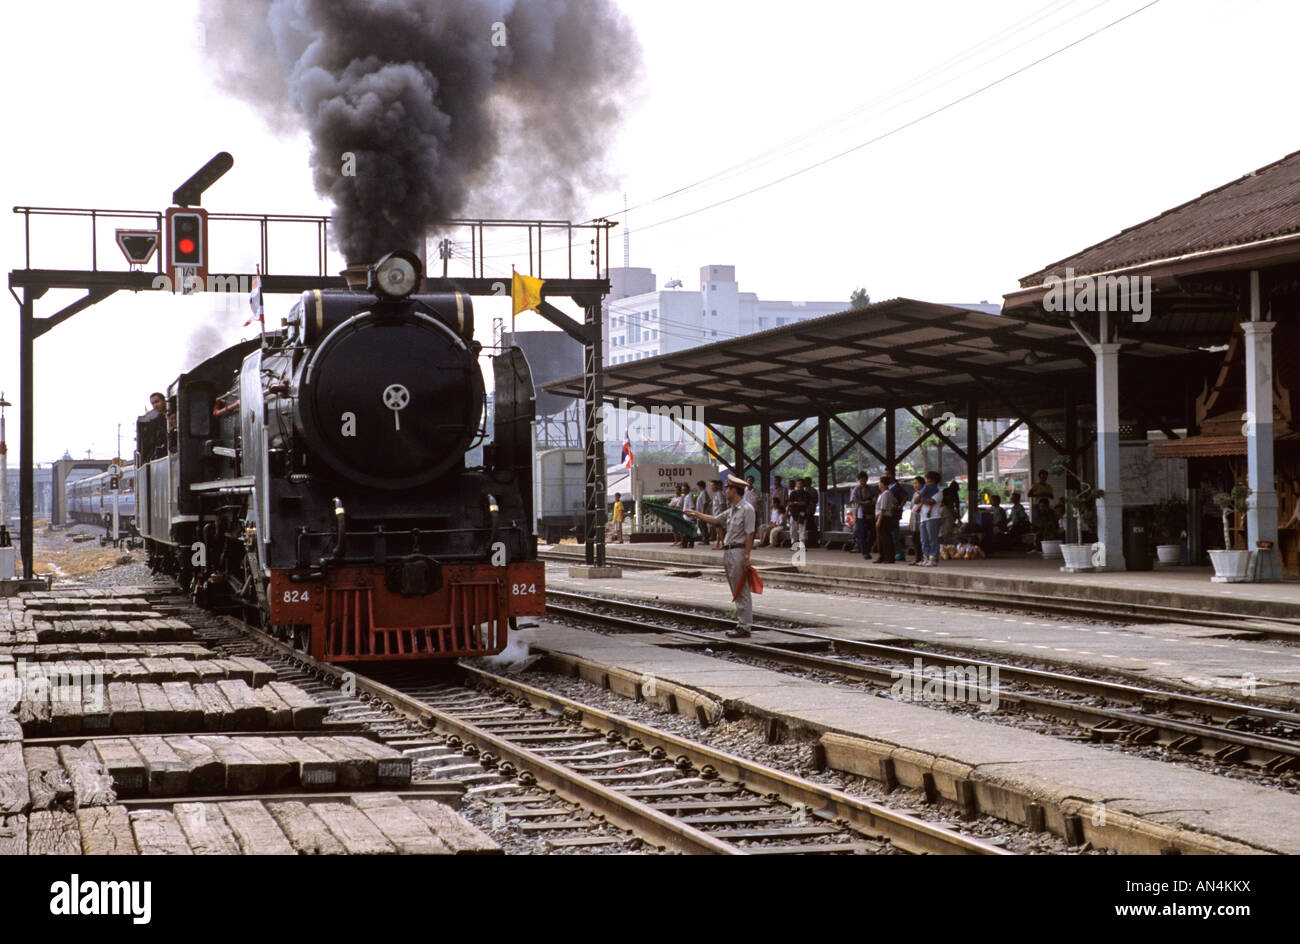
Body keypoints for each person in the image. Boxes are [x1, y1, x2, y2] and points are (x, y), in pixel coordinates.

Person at [686, 475, 756, 637]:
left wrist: (747, 557)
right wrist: (696, 514)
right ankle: (742, 622)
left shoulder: (747, 509)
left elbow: (749, 534)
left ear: (736, 491)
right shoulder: (732, 509)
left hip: (738, 551)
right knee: (735, 588)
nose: (726, 491)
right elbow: (716, 520)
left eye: (729, 488)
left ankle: (745, 626)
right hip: (729, 551)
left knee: (741, 589)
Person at [916, 470, 942, 566]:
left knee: (933, 539)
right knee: (924, 540)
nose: (925, 480)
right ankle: (926, 557)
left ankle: (933, 558)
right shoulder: (926, 489)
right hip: (924, 518)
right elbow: (916, 500)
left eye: (926, 478)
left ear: (930, 479)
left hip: (933, 518)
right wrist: (921, 498)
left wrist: (922, 498)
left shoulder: (939, 492)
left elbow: (931, 502)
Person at [850, 471, 876, 560]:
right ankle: (865, 552)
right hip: (861, 515)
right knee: (862, 534)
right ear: (858, 480)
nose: (862, 482)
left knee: (872, 534)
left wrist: (872, 501)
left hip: (871, 514)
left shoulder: (871, 489)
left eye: (864, 480)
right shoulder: (856, 489)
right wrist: (864, 502)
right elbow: (853, 500)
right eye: (861, 480)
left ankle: (868, 548)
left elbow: (875, 497)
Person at [874, 474, 899, 564]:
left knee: (885, 538)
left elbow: (883, 508)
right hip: (883, 517)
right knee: (881, 538)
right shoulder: (883, 494)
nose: (878, 484)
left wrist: (879, 520)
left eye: (879, 483)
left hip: (884, 517)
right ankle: (882, 556)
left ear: (883, 484)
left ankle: (888, 557)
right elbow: (895, 502)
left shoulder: (886, 494)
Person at [787, 479, 810, 547]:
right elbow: (789, 503)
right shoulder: (793, 493)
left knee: (802, 529)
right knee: (793, 530)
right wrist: (795, 503)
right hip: (793, 513)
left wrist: (795, 503)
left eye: (800, 484)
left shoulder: (806, 494)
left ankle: (802, 544)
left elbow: (805, 503)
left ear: (803, 485)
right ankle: (793, 543)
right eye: (798, 484)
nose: (799, 485)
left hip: (802, 513)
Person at [709, 480, 726, 549]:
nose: (711, 487)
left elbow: (723, 504)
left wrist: (724, 514)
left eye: (712, 485)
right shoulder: (716, 494)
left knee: (719, 530)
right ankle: (718, 544)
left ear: (716, 486)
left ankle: (724, 544)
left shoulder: (719, 494)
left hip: (719, 515)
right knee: (718, 530)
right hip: (716, 514)